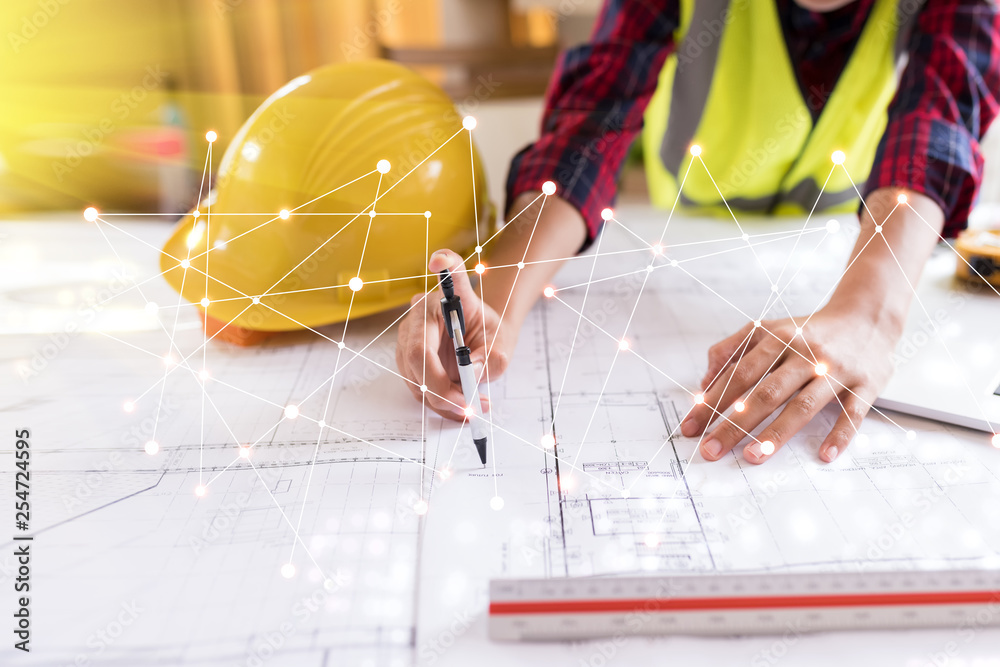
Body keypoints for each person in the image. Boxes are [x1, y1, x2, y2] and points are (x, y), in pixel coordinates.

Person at [395, 0, 1000, 465]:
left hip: (849, 242)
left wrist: (868, 315)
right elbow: (590, 126)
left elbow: (939, 121)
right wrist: (496, 296)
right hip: (683, 234)